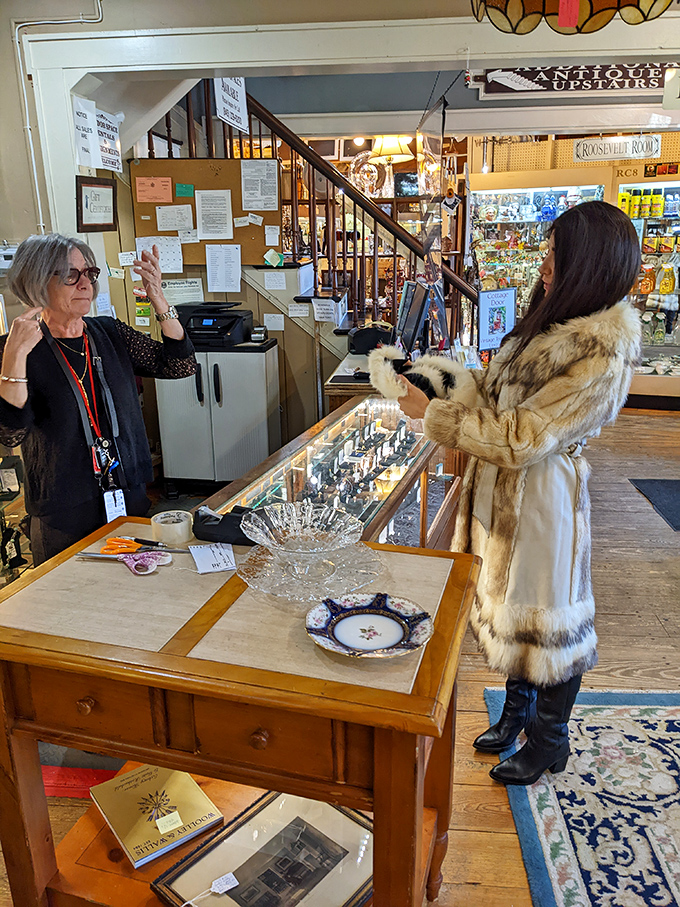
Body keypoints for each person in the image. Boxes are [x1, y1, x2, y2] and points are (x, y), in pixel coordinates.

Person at [369, 201, 642, 786]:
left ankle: (549, 740)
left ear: (588, 263)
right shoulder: (550, 320)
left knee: (548, 620)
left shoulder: (599, 349)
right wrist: (441, 381)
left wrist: (436, 415)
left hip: (541, 502)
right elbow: (499, 405)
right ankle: (515, 716)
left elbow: (525, 437)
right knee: (512, 611)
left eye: (555, 254)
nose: (544, 264)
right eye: (547, 252)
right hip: (501, 488)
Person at [1, 233, 197, 565]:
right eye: (69, 275)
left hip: (125, 490)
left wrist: (158, 298)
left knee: (136, 592)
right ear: (36, 282)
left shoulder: (107, 332)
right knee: (72, 604)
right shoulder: (16, 348)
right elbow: (10, 433)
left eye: (88, 273)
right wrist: (14, 358)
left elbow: (181, 365)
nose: (85, 284)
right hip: (64, 505)